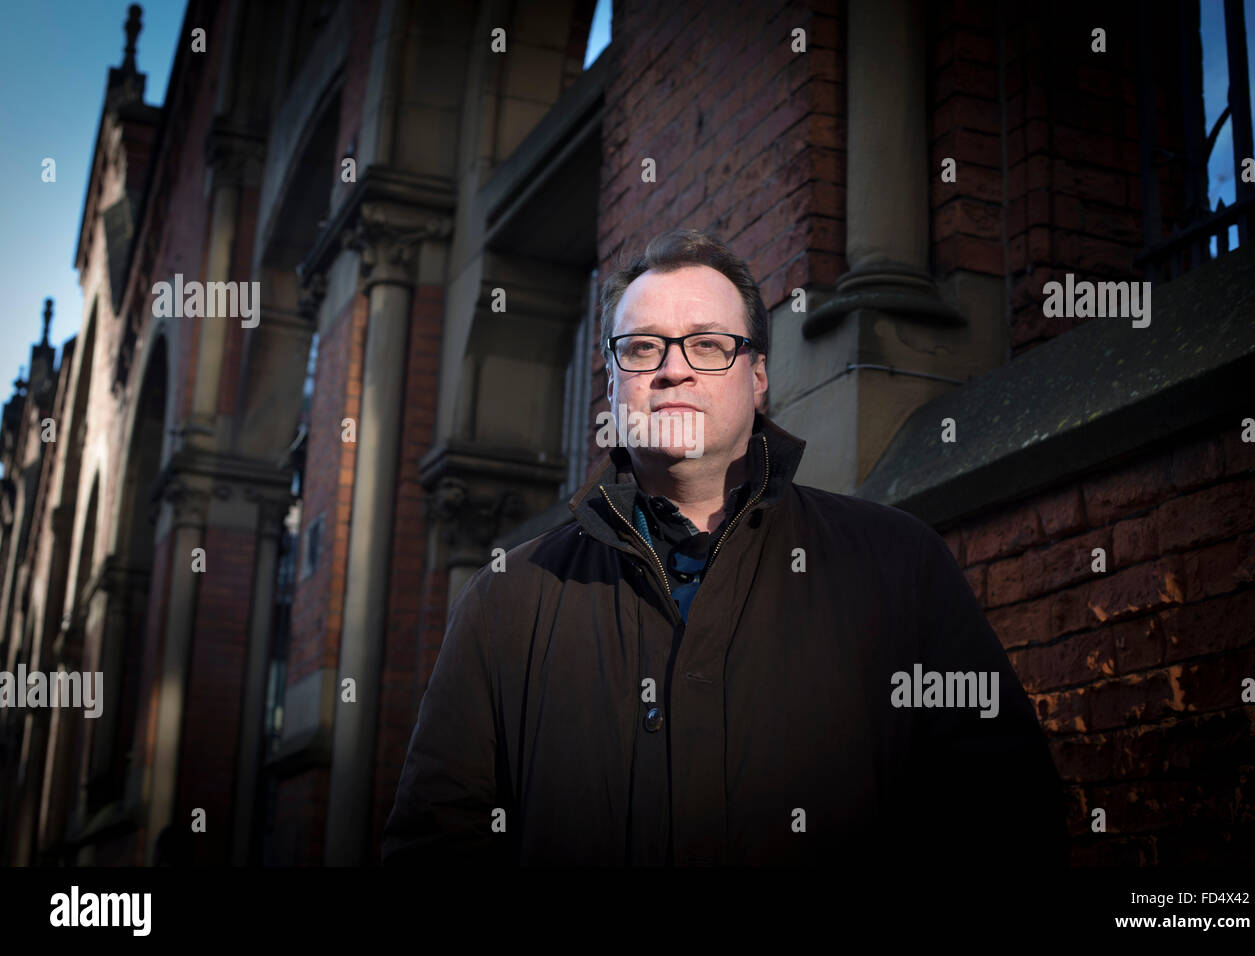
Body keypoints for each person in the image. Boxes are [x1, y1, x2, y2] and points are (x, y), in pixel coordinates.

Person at [383, 228, 1069, 867]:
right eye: (643, 347)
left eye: (708, 344)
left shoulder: (897, 565)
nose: (673, 370)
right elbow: (435, 840)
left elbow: (1006, 815)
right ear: (613, 382)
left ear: (758, 376)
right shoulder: (508, 599)